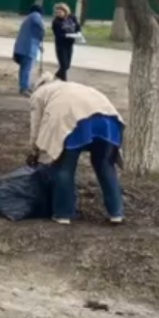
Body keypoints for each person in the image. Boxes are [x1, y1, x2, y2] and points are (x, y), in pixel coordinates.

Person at [28, 73, 124, 226]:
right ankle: (116, 212)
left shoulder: (39, 94)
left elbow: (36, 125)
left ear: (37, 86)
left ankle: (63, 214)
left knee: (63, 167)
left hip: (75, 123)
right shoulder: (73, 86)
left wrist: (34, 151)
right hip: (108, 122)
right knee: (105, 165)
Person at [13, 5, 45, 96]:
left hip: (22, 47)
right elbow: (39, 25)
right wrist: (43, 29)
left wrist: (39, 45)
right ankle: (24, 88)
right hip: (28, 48)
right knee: (26, 69)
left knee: (23, 69)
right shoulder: (35, 15)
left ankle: (23, 86)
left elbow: (33, 33)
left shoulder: (27, 19)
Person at [52, 2, 81, 81]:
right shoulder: (56, 22)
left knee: (67, 66)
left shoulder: (72, 17)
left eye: (60, 12)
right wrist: (68, 35)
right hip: (61, 45)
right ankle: (64, 82)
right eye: (57, 12)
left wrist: (78, 34)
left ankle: (55, 78)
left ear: (65, 11)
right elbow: (58, 35)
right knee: (63, 66)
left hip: (69, 45)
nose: (58, 14)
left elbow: (77, 27)